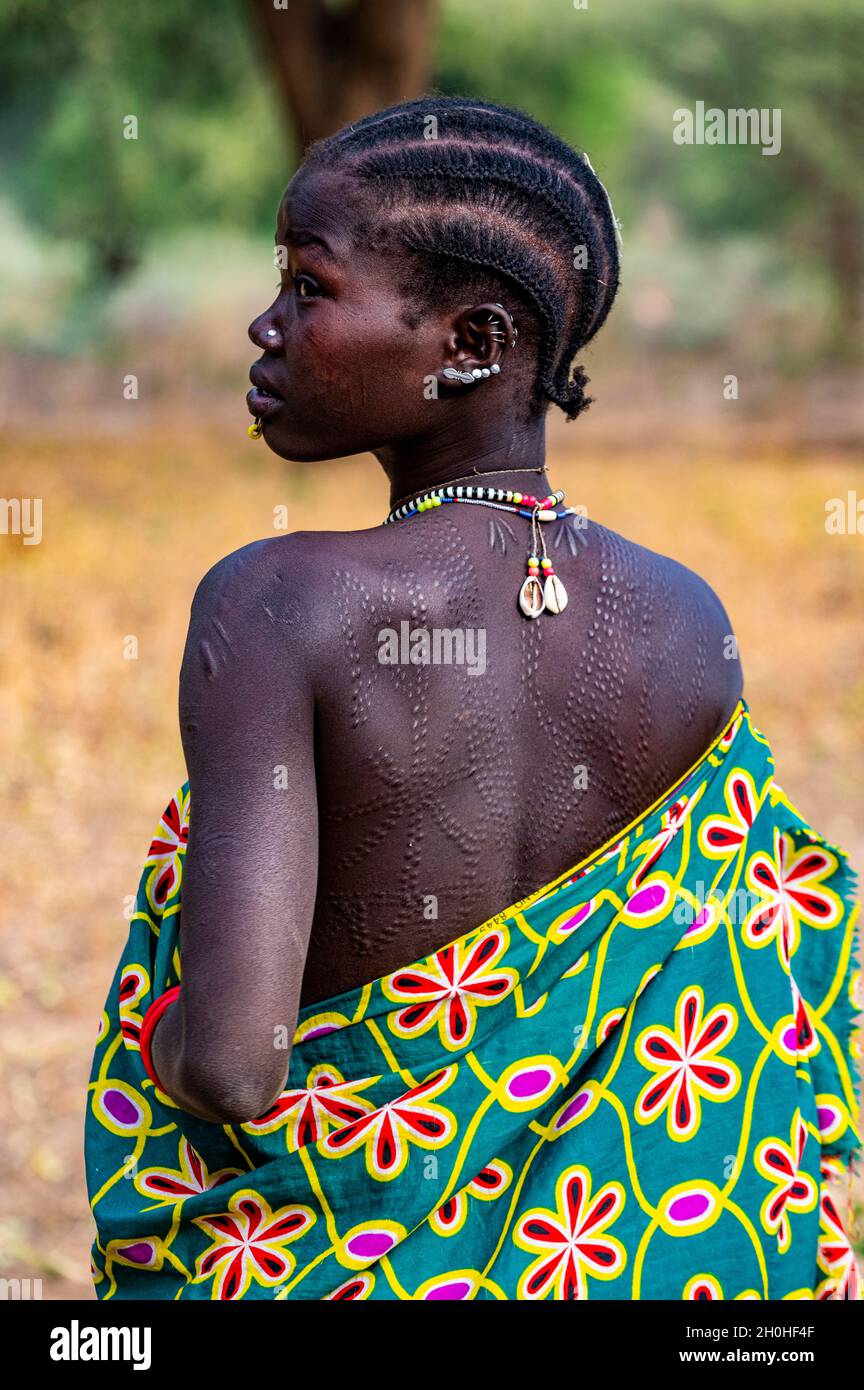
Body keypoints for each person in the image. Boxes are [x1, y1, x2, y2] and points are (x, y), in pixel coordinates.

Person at [85, 97, 861, 1301]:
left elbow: (236, 1069)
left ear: (473, 342)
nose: (266, 324)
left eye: (308, 286)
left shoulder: (276, 605)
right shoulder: (689, 623)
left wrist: (152, 1027)